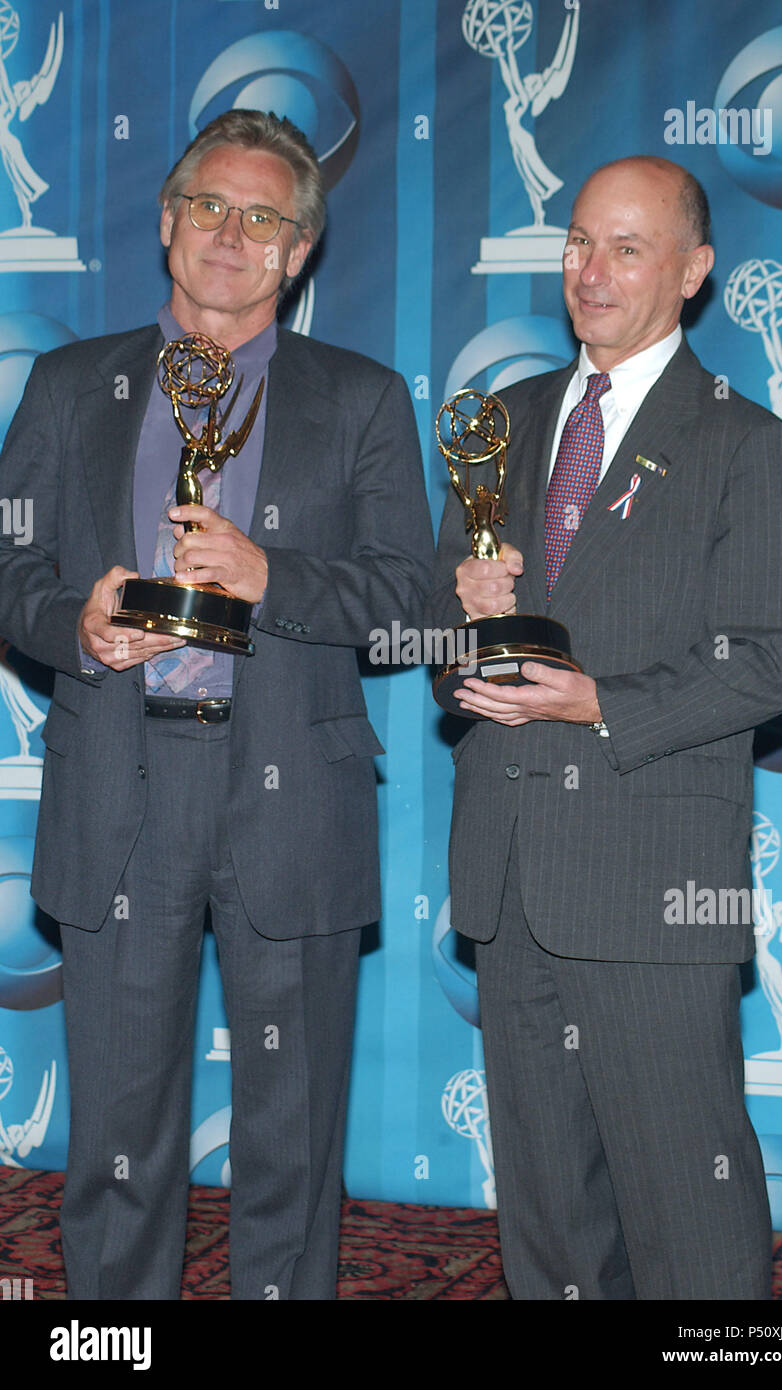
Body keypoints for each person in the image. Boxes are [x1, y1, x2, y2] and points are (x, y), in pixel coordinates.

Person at [0, 109, 433, 1300]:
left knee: (291, 1141)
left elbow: (411, 592)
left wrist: (269, 578)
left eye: (262, 218)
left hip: (289, 787)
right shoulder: (69, 382)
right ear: (164, 221)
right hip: (118, 785)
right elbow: (8, 569)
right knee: (116, 1139)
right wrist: (71, 628)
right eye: (207, 206)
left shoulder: (360, 397)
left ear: (299, 252)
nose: (229, 234)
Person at [429, 155, 782, 1300]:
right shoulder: (496, 427)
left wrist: (600, 698)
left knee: (687, 1220)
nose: (589, 272)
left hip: (653, 888)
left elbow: (781, 658)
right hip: (507, 880)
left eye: (627, 248)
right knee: (548, 1220)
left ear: (694, 273)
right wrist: (459, 623)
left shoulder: (745, 444)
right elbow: (425, 621)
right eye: (578, 242)